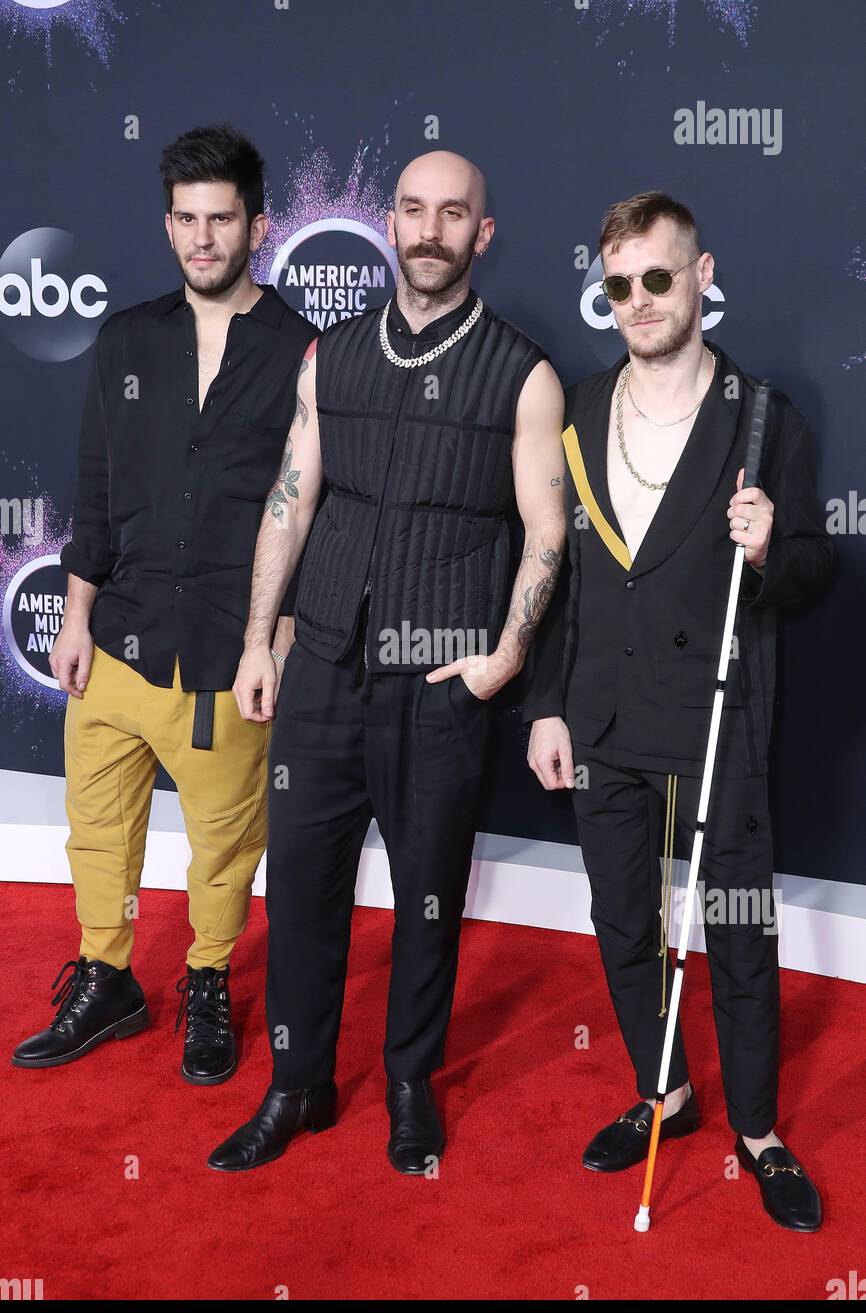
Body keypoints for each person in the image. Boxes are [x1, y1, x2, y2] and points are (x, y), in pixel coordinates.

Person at [207, 150, 566, 1174]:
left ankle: (409, 1082)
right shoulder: (332, 355)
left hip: (441, 685)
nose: (428, 228)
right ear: (392, 219)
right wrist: (256, 639)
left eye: (452, 213)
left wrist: (504, 656)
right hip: (319, 662)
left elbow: (546, 530)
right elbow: (292, 497)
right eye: (412, 208)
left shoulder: (523, 372)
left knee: (426, 895)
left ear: (480, 235)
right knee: (304, 888)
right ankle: (296, 1083)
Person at [524, 191, 833, 1231]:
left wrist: (767, 544)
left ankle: (756, 1129)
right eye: (618, 285)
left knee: (736, 932)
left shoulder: (762, 416)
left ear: (702, 277)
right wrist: (544, 707)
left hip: (715, 717)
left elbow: (811, 572)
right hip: (601, 714)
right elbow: (555, 573)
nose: (638, 301)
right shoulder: (573, 408)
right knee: (621, 923)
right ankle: (664, 1090)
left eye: (657, 277)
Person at [12, 125, 317, 1086]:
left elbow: (311, 499)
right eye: (185, 219)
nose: (201, 238)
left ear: (257, 226)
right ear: (169, 226)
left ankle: (209, 981)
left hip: (227, 649)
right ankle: (107, 979)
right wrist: (72, 612)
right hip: (116, 640)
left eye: (220, 219)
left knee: (224, 846)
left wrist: (281, 630)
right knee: (98, 829)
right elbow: (96, 484)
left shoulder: (305, 350)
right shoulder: (128, 338)